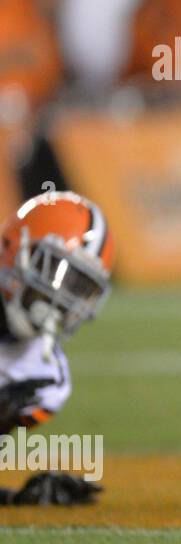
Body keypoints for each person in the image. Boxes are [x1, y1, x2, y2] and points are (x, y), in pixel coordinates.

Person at [0, 191, 113, 507]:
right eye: (53, 272)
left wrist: (15, 499)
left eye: (77, 287)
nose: (58, 299)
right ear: (14, 250)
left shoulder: (46, 377)